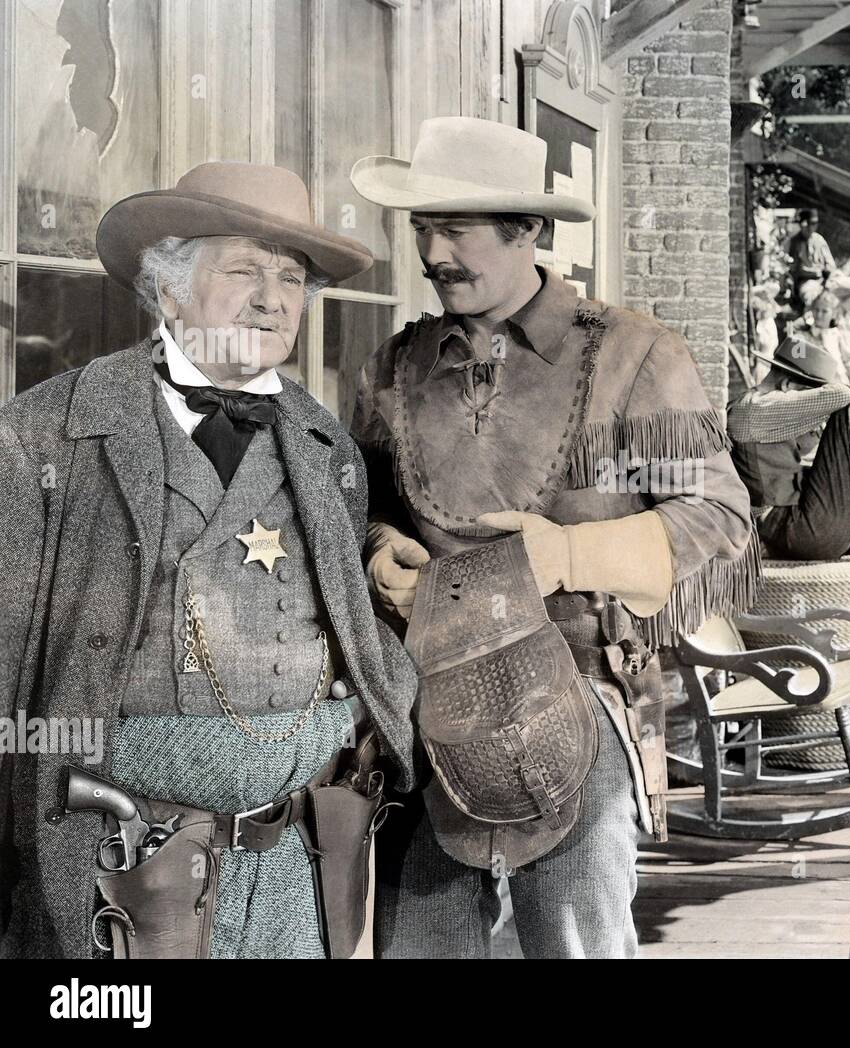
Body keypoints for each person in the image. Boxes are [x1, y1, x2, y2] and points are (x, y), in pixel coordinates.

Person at [347, 117, 757, 959]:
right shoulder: (395, 366)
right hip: (422, 699)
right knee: (416, 946)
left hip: (581, 691)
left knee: (576, 943)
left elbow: (721, 522)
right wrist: (378, 545)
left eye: (454, 229)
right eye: (422, 228)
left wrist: (568, 556)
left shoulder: (636, 356)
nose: (432, 252)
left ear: (528, 230)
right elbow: (359, 504)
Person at [0, 162, 419, 959]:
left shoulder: (329, 448)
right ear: (167, 289)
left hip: (300, 864)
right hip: (115, 864)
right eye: (243, 272)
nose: (273, 299)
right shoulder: (39, 441)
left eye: (291, 278)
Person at [728, 334, 850, 561]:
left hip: (793, 527)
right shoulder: (755, 408)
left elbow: (788, 457)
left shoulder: (754, 408)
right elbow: (845, 394)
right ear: (787, 386)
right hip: (794, 530)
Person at [787, 208, 837, 313]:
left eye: (814, 223)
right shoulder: (794, 243)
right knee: (811, 296)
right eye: (808, 224)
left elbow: (831, 264)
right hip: (806, 282)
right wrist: (812, 272)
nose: (811, 227)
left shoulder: (819, 240)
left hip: (824, 280)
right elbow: (793, 269)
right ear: (802, 224)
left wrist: (827, 270)